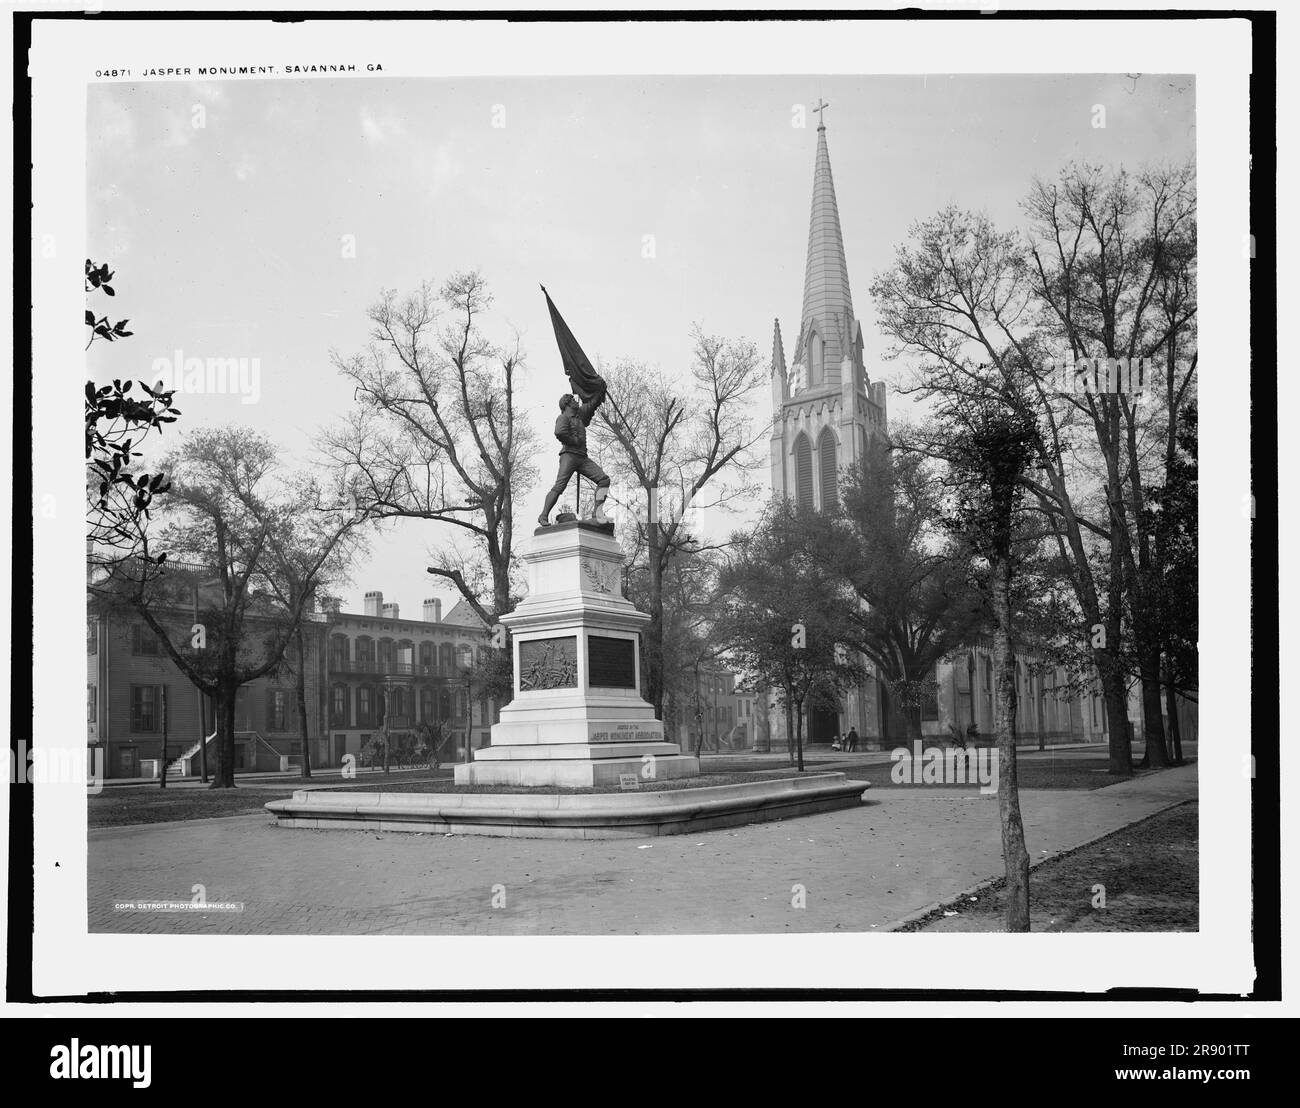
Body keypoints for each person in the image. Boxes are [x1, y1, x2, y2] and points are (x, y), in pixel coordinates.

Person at [539, 378, 612, 527]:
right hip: (569, 456)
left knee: (604, 480)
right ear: (567, 404)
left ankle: (597, 513)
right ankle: (543, 515)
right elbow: (559, 432)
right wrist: (574, 440)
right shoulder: (563, 417)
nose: (575, 401)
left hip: (582, 458)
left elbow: (592, 403)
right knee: (559, 486)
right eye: (572, 400)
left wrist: (600, 391)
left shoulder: (581, 416)